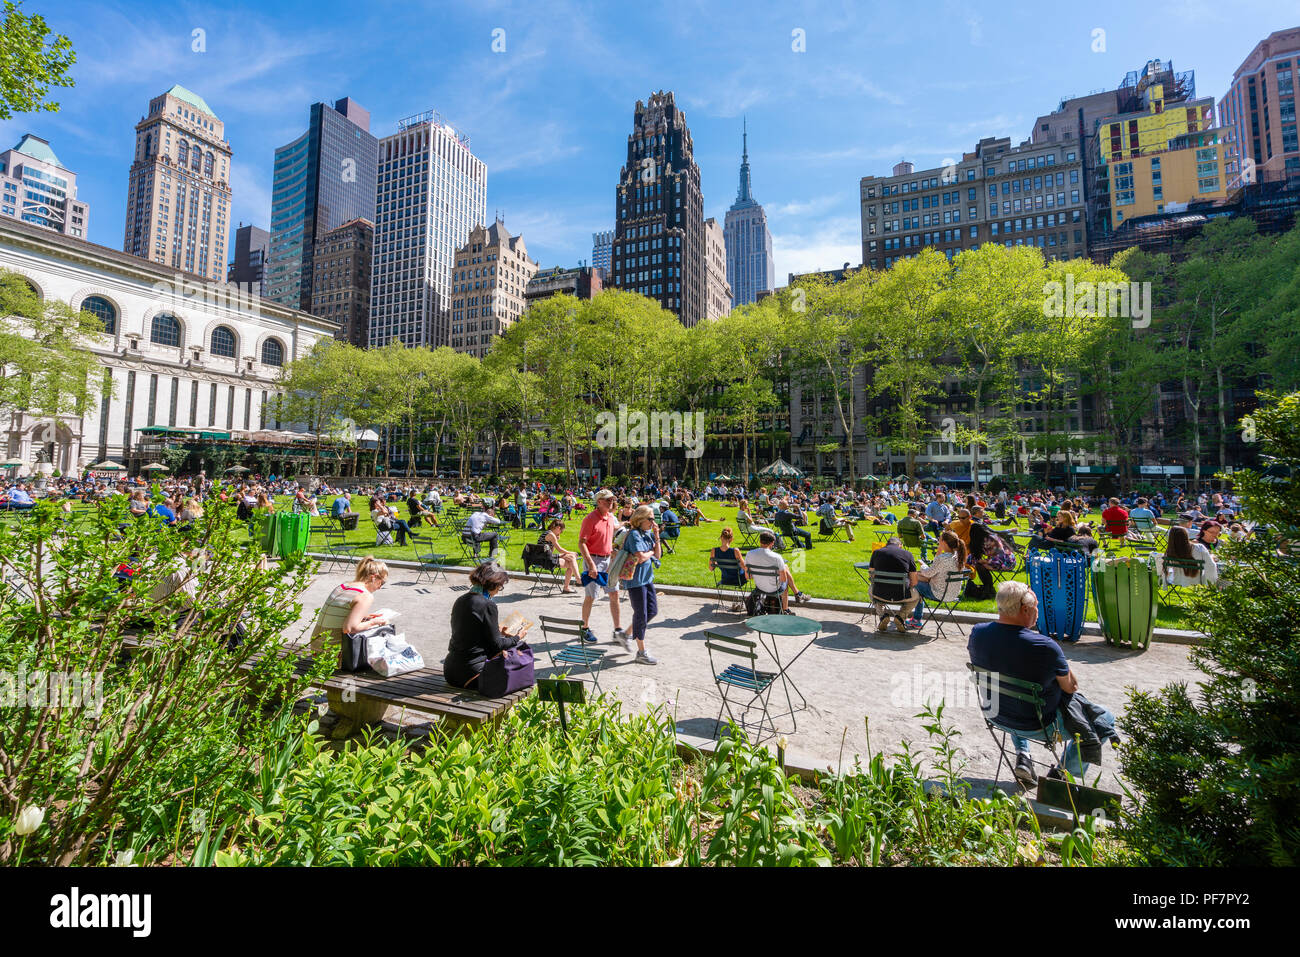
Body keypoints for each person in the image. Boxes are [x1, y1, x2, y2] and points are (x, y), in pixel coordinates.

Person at [968, 581, 1118, 787]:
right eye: (1036, 607)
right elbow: (1071, 687)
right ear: (1025, 609)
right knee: (1105, 718)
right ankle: (1062, 776)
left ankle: (1023, 755)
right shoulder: (1045, 646)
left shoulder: (978, 633)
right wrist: (1059, 658)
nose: (1038, 612)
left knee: (1013, 694)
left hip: (997, 714)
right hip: (1039, 724)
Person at [445, 563, 530, 690]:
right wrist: (518, 637)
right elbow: (497, 645)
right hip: (471, 674)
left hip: (450, 670)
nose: (497, 591)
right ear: (493, 585)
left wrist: (497, 631)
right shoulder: (487, 605)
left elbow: (470, 632)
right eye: (500, 587)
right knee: (520, 649)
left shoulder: (461, 600)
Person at [308, 556, 391, 659]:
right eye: (382, 583)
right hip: (333, 654)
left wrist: (365, 617)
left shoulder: (343, 586)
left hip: (316, 649)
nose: (379, 587)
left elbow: (340, 614)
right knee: (384, 626)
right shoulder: (365, 595)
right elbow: (349, 629)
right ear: (373, 577)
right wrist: (375, 622)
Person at [578, 489, 625, 645]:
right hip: (593, 560)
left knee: (614, 594)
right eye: (607, 499)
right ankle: (584, 628)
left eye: (612, 499)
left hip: (608, 561)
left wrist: (632, 523)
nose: (610, 502)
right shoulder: (590, 519)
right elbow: (581, 543)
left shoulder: (610, 517)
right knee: (591, 596)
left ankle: (618, 630)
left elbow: (617, 527)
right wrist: (591, 565)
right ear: (598, 501)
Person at [616, 505, 661, 664]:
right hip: (635, 581)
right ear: (640, 519)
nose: (653, 522)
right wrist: (650, 552)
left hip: (647, 578)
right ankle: (641, 652)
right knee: (641, 614)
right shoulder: (634, 534)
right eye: (650, 519)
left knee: (652, 611)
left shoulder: (647, 533)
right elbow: (641, 557)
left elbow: (658, 554)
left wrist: (656, 536)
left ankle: (625, 634)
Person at [905, 530, 967, 628]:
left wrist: (923, 565)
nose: (938, 541)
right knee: (917, 579)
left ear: (944, 542)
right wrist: (938, 552)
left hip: (939, 593)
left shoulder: (943, 558)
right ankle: (916, 618)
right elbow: (935, 569)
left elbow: (928, 573)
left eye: (940, 539)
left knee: (913, 582)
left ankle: (915, 618)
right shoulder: (958, 557)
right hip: (953, 593)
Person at [744, 530, 811, 612]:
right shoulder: (777, 557)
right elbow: (783, 579)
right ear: (772, 543)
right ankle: (788, 606)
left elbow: (748, 576)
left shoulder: (749, 554)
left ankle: (798, 595)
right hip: (774, 588)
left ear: (760, 541)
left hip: (759, 587)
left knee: (785, 568)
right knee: (785, 575)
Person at [867, 535, 919, 633]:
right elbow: (914, 581)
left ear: (887, 544)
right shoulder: (908, 554)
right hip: (902, 595)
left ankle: (883, 616)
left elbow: (871, 576)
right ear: (900, 545)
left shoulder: (876, 552)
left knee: (871, 590)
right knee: (916, 597)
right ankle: (900, 616)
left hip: (879, 594)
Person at [541, 519, 581, 593]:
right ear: (558, 528)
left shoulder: (547, 533)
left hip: (544, 557)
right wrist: (571, 552)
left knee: (571, 560)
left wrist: (555, 541)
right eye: (561, 531)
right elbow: (559, 549)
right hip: (545, 560)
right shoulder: (551, 535)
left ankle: (574, 582)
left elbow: (551, 551)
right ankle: (577, 580)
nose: (561, 533)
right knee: (571, 561)